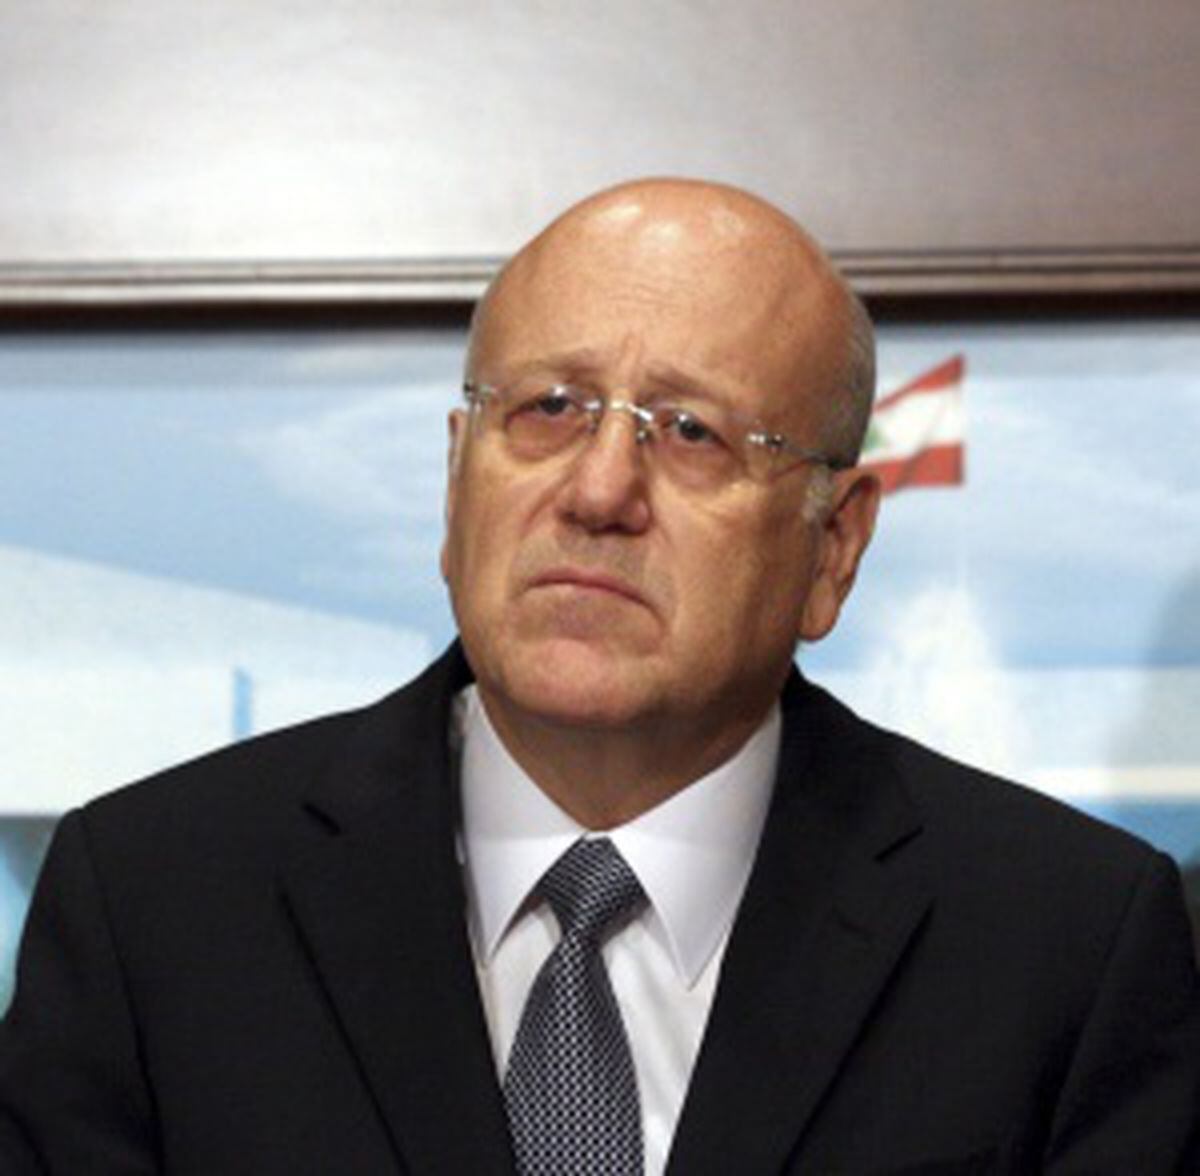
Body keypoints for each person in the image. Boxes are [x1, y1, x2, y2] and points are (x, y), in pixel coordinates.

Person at [1, 178, 1197, 1174]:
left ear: (833, 547)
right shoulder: (153, 904)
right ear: (456, 480)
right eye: (548, 408)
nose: (600, 491)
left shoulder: (1062, 946)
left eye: (694, 432)